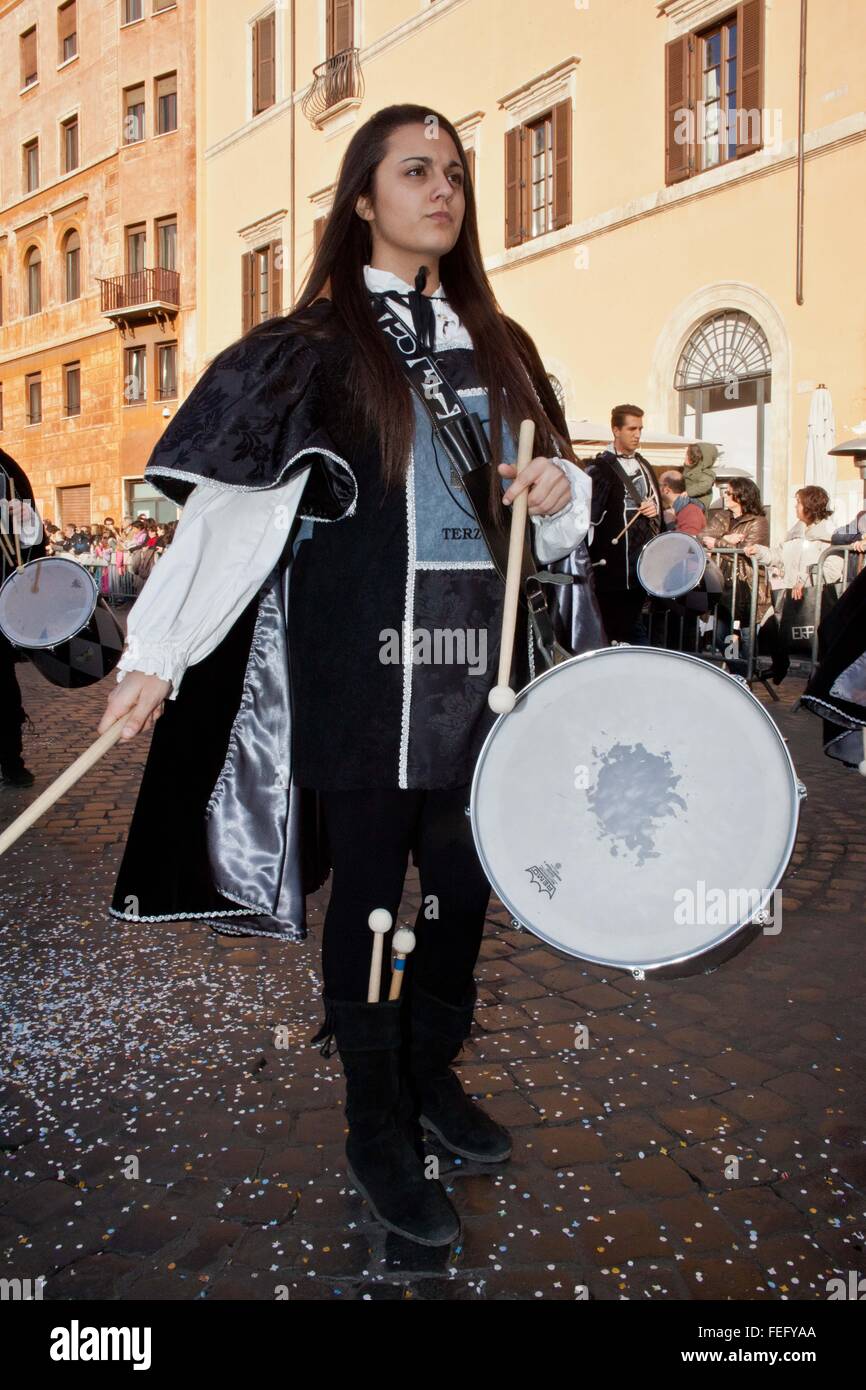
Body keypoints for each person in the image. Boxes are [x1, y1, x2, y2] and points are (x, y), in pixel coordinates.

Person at [96, 104, 593, 1248]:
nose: (444, 189)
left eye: (456, 173)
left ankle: (427, 1077)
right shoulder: (311, 352)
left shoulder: (503, 347)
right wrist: (154, 656)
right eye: (415, 170)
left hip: (485, 686)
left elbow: (552, 521)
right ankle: (376, 1125)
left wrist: (561, 490)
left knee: (463, 899)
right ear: (361, 201)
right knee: (374, 912)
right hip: (363, 683)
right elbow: (232, 518)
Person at [585, 404, 661, 642]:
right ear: (616, 430)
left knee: (632, 625)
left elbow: (659, 511)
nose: (637, 434)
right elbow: (589, 518)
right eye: (631, 428)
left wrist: (654, 509)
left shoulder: (645, 465)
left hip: (642, 568)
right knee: (617, 629)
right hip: (611, 571)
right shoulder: (599, 468)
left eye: (640, 428)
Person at [0, 447, 46, 787]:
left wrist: (28, 523)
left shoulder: (4, 470)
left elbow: (27, 545)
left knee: (2, 692)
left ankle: (10, 760)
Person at [659, 470, 706, 535]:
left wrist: (670, 523)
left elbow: (688, 541)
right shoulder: (676, 509)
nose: (657, 488)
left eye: (659, 485)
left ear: (666, 489)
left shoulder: (691, 510)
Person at [683, 442, 718, 515]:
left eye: (688, 455)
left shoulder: (705, 473)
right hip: (690, 500)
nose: (685, 457)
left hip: (699, 502)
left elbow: (706, 484)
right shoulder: (690, 470)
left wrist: (688, 492)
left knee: (680, 501)